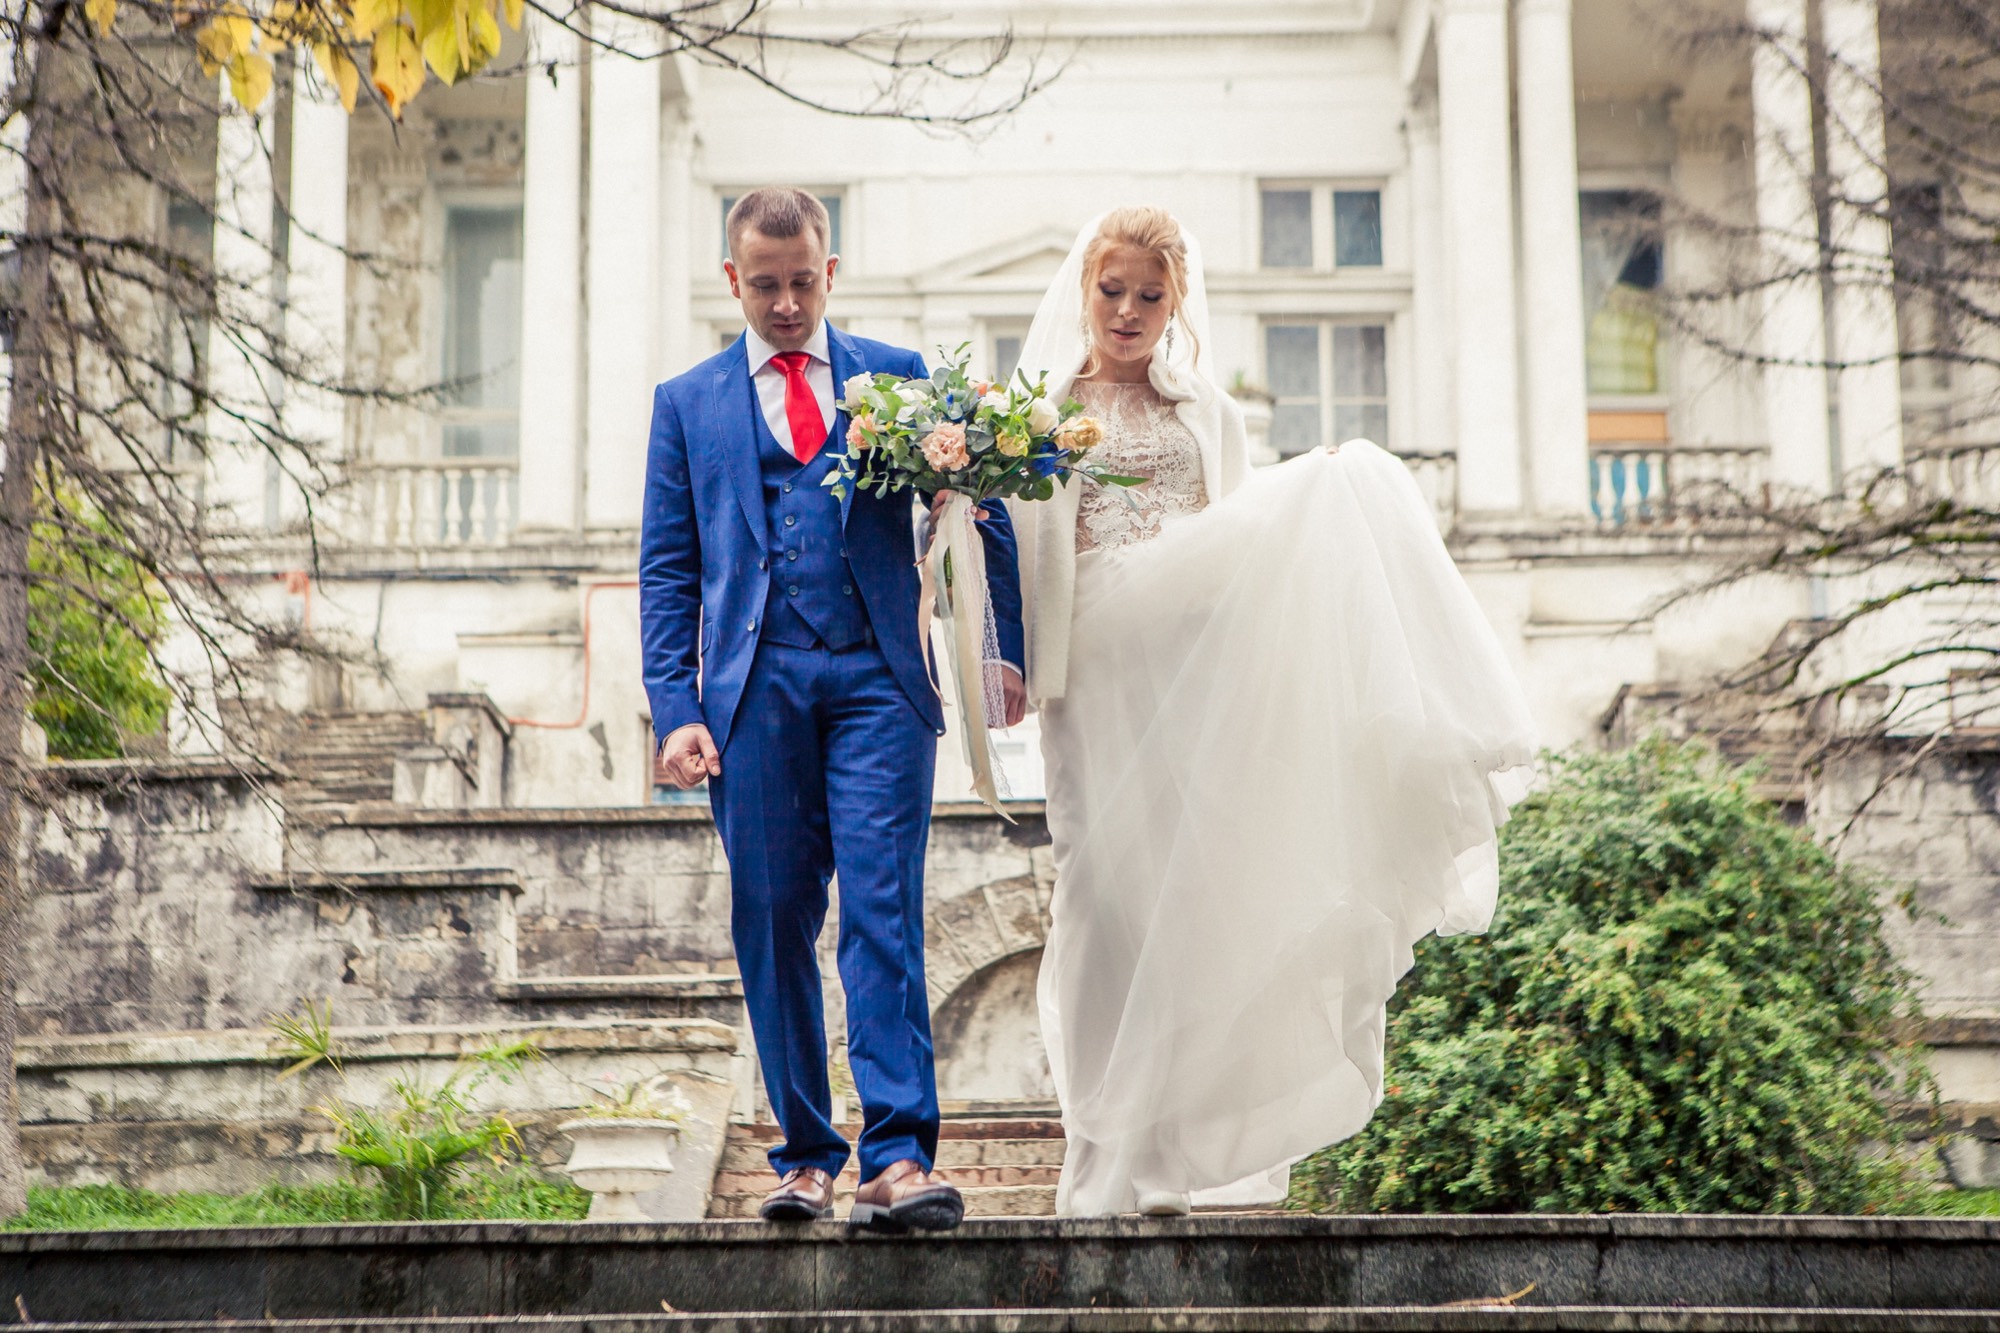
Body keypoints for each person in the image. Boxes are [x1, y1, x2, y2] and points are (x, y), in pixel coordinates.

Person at [1008, 207, 1538, 1218]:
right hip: (1089, 680)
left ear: (1175, 303)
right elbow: (1022, 557)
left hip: (1182, 676)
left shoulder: (1205, 411)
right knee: (1100, 902)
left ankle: (1159, 1156)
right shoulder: (1032, 409)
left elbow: (1237, 547)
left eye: (1148, 295)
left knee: (1183, 903)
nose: (1126, 312)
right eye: (1110, 291)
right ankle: (1095, 1148)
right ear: (1084, 290)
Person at [640, 187, 1027, 1233]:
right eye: (763, 284)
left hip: (877, 683)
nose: (783, 302)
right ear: (731, 280)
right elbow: (668, 570)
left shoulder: (896, 380)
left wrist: (1004, 653)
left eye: (801, 281)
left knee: (881, 912)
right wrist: (674, 706)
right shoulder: (686, 402)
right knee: (770, 921)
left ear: (830, 270)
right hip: (750, 693)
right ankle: (806, 1154)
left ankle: (896, 1157)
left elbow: (983, 504)